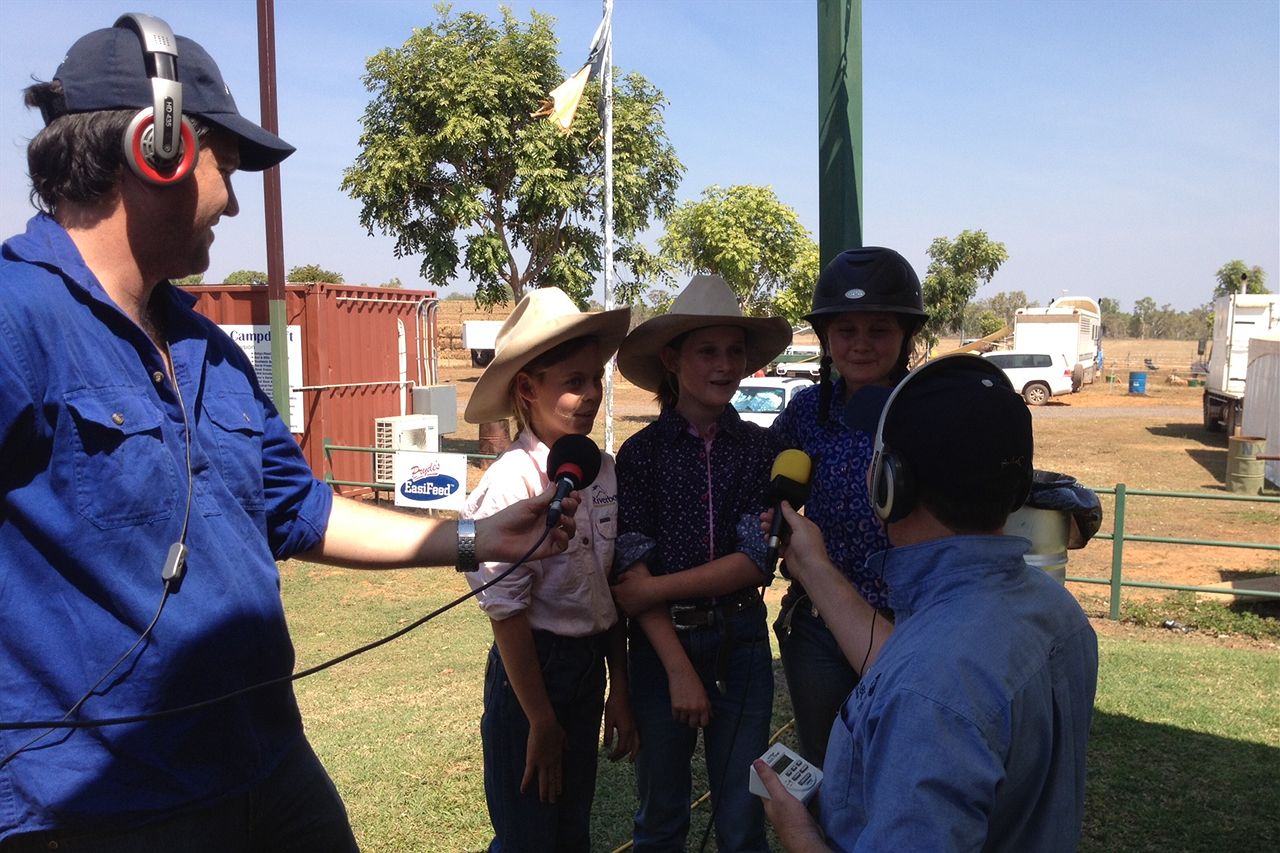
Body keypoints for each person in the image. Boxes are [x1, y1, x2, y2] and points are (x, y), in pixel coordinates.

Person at [0, 16, 580, 849]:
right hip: (102, 805)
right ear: (154, 147)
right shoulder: (17, 320)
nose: (233, 200)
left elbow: (300, 509)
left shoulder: (207, 348)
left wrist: (474, 536)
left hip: (268, 766)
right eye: (225, 166)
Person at [754, 354, 1099, 851]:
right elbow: (909, 666)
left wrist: (799, 832)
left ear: (888, 484)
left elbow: (927, 688)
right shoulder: (1056, 613)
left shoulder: (929, 690)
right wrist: (811, 564)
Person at [611, 274, 791, 852]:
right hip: (664, 650)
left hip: (740, 639)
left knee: (742, 818)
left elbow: (753, 562)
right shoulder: (639, 455)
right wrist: (678, 669)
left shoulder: (759, 450)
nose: (723, 365)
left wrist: (653, 589)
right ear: (672, 358)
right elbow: (629, 567)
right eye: (707, 351)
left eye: (734, 351)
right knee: (661, 817)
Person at [460, 287, 638, 852]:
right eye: (572, 382)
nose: (589, 397)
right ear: (527, 388)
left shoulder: (603, 470)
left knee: (570, 831)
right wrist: (539, 719)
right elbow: (507, 614)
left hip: (587, 671)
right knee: (528, 833)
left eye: (595, 380)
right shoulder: (511, 484)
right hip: (531, 674)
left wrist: (618, 688)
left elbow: (605, 592)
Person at [769, 246, 928, 766]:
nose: (860, 345)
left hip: (910, 625)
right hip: (818, 629)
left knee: (901, 762)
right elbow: (761, 484)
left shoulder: (932, 412)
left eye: (878, 330)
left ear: (905, 336)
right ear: (825, 338)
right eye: (846, 331)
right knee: (828, 763)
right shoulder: (804, 414)